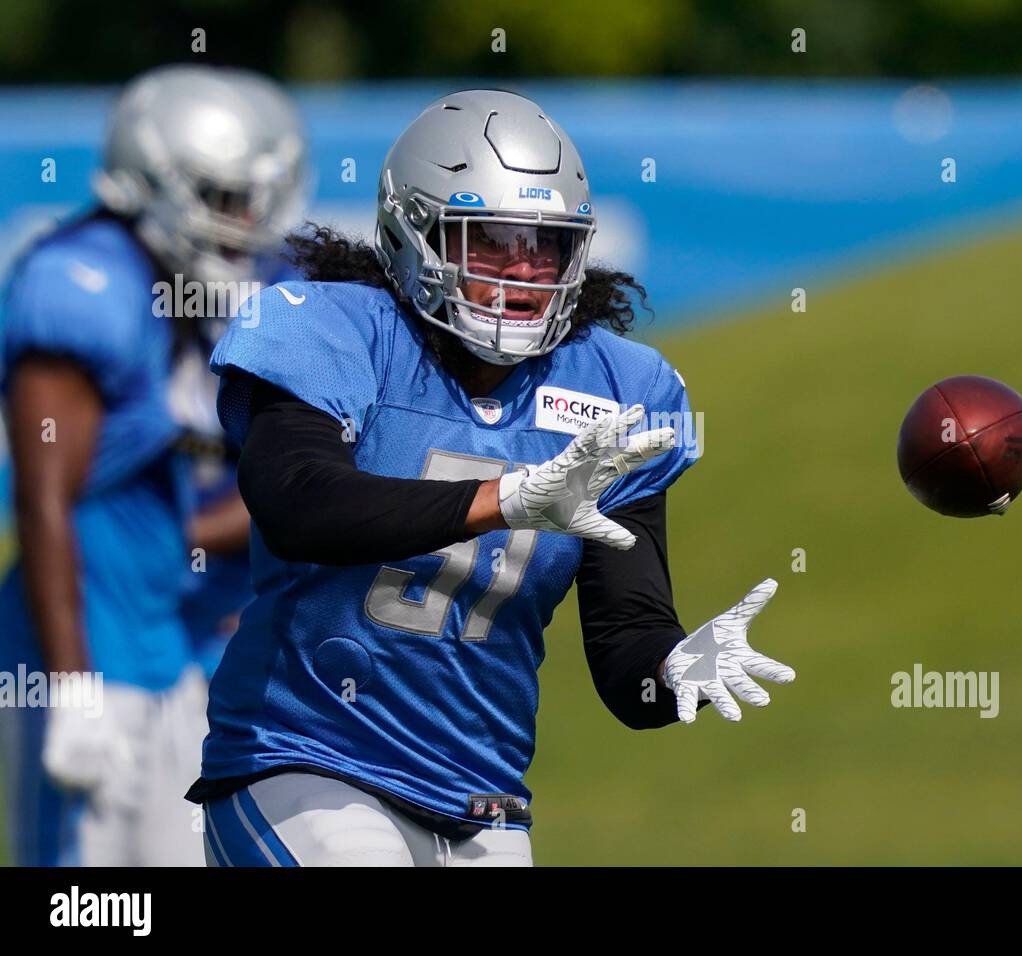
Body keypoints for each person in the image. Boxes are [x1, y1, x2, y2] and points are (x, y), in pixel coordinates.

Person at [189, 89, 795, 868]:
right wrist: (503, 500)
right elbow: (298, 506)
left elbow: (623, 644)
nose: (524, 271)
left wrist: (672, 669)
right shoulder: (335, 330)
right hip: (306, 762)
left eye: (546, 245)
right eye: (492, 242)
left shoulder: (619, 385)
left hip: (483, 801)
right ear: (417, 235)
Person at [0, 64, 307, 865]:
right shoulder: (85, 283)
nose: (246, 223)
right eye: (223, 198)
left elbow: (295, 477)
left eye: (254, 199)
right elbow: (43, 501)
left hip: (185, 649)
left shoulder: (248, 288)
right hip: (90, 646)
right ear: (152, 183)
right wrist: (70, 686)